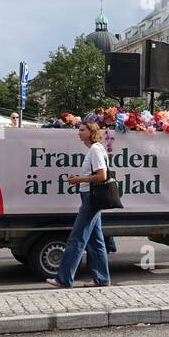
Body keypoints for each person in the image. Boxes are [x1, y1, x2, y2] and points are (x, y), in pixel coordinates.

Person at [47, 115, 112, 288]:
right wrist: (80, 179)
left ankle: (63, 279)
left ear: (92, 132)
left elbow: (102, 175)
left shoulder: (95, 150)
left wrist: (79, 180)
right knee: (95, 241)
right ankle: (102, 279)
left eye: (82, 130)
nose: (79, 133)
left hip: (91, 198)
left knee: (77, 238)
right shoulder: (95, 149)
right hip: (90, 196)